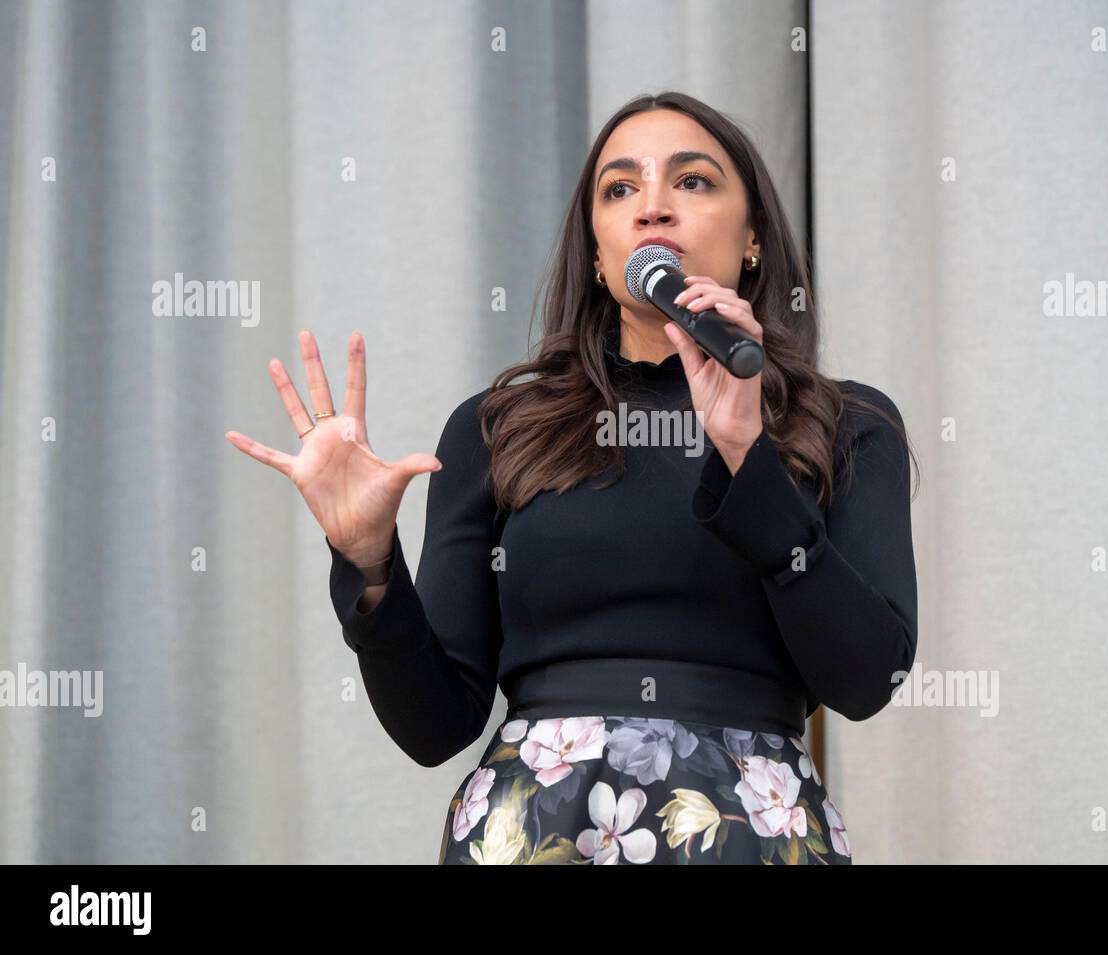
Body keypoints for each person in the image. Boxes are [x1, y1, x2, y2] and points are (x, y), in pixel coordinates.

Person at [226, 90, 919, 865]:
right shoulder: (499, 429)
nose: (652, 206)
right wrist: (367, 561)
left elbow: (866, 679)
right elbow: (434, 726)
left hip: (745, 830)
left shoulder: (848, 425)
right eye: (620, 189)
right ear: (596, 252)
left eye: (692, 181)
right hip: (538, 827)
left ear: (753, 236)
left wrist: (746, 458)